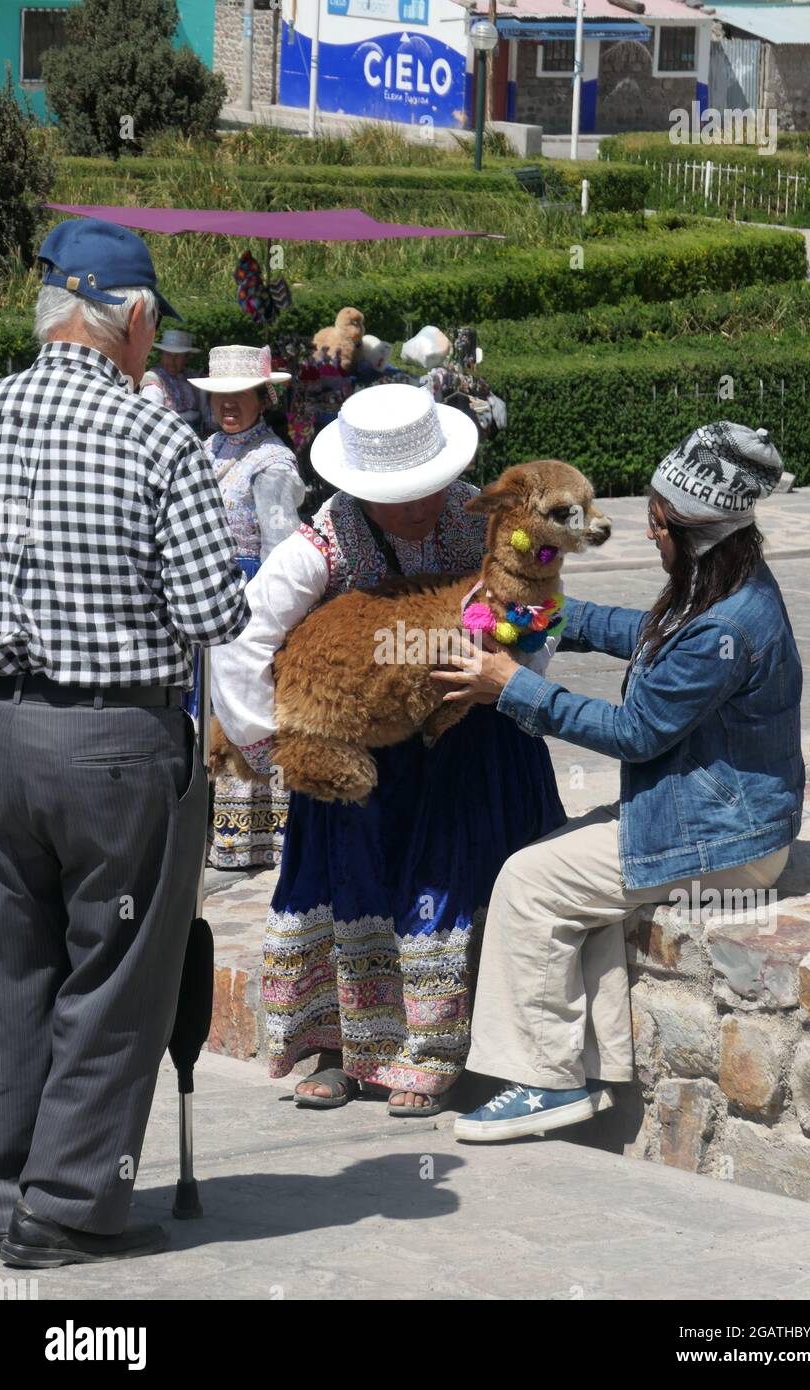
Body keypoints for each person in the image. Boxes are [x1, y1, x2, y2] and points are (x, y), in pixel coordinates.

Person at [431, 422, 805, 1142]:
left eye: (659, 526)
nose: (648, 537)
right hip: (722, 816)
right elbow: (644, 631)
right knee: (566, 860)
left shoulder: (723, 621)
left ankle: (540, 1081)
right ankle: (590, 1071)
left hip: (728, 843)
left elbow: (634, 731)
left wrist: (509, 685)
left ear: (695, 532)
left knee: (527, 880)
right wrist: (540, 614)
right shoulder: (728, 588)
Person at [0, 217, 248, 1266]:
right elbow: (212, 611)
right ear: (132, 320)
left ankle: (4, 1183)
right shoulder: (157, 438)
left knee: (13, 969)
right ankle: (62, 1206)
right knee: (116, 979)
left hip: (5, 732)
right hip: (114, 747)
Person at [212, 383, 566, 1115]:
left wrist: (511, 680)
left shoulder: (484, 523)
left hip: (470, 743)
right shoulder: (325, 543)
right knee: (355, 890)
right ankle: (345, 1049)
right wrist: (273, 743)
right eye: (401, 496)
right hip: (364, 758)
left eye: (428, 489)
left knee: (450, 886)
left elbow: (540, 608)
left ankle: (442, 1049)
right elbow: (243, 640)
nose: (419, 508)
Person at [189, 344, 305, 869]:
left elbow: (280, 545)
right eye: (220, 397)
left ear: (263, 397)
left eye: (240, 395)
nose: (229, 406)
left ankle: (260, 833)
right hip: (206, 592)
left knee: (244, 702)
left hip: (250, 594)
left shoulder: (272, 461)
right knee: (207, 706)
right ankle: (213, 828)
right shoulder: (206, 448)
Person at [138, 327, 212, 434]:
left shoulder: (193, 377)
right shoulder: (154, 379)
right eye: (168, 355)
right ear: (162, 355)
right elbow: (150, 417)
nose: (172, 361)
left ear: (186, 358)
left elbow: (206, 414)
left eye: (178, 356)